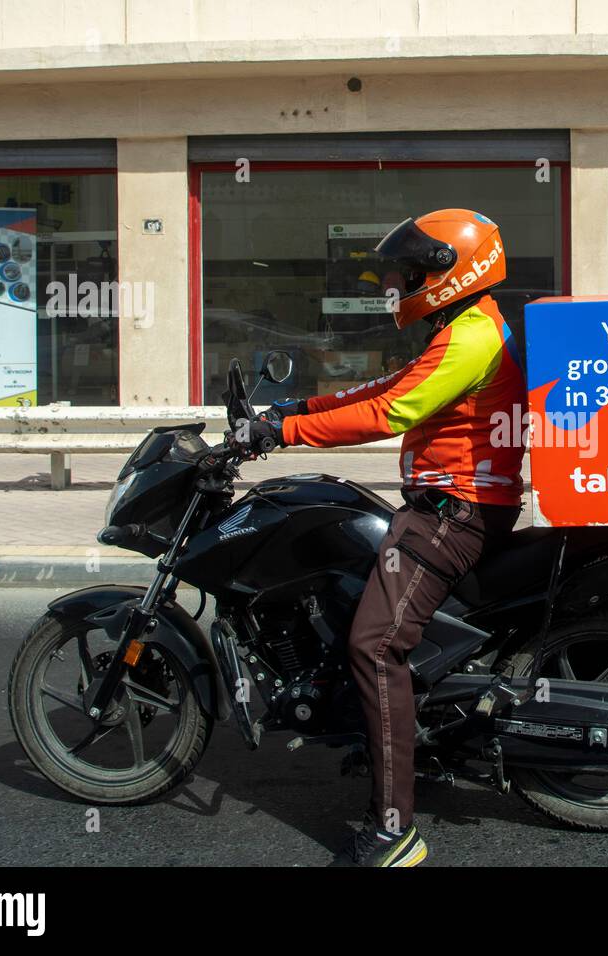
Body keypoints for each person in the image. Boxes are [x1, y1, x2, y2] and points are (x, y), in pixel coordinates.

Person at [242, 209, 526, 866]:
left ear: (450, 271)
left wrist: (281, 436)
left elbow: (390, 412)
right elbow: (392, 386)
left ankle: (394, 831)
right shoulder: (462, 330)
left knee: (373, 646)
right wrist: (296, 409)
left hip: (455, 513)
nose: (398, 284)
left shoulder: (472, 337)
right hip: (448, 506)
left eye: (410, 272)